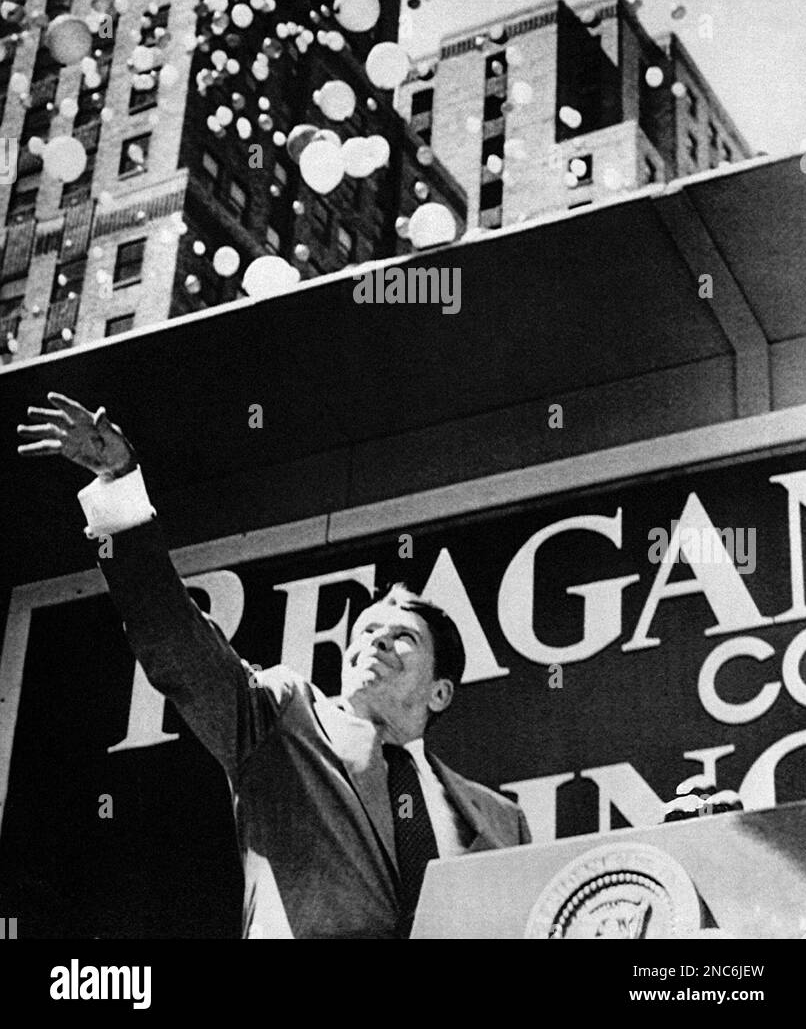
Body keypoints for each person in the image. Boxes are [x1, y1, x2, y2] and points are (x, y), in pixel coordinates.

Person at [17, 393, 531, 940]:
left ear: (440, 693)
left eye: (402, 636)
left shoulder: (503, 820)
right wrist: (119, 491)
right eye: (366, 631)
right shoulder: (282, 718)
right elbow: (177, 643)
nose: (375, 642)